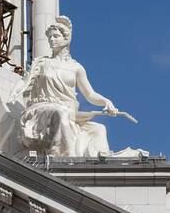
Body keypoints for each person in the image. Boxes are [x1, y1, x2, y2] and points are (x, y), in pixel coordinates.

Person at [16, 16, 118, 158]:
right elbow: (24, 84)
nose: (52, 40)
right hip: (42, 108)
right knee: (61, 113)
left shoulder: (76, 68)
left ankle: (99, 163)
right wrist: (17, 89)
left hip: (69, 114)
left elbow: (90, 94)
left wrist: (107, 102)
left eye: (56, 36)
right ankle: (65, 157)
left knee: (99, 129)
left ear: (66, 39)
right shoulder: (42, 63)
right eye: (50, 37)